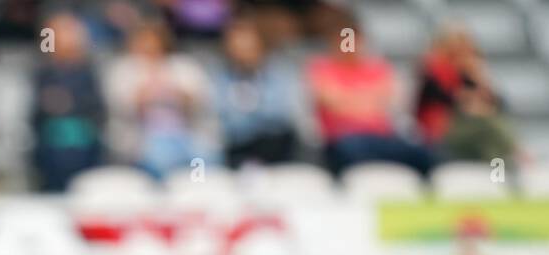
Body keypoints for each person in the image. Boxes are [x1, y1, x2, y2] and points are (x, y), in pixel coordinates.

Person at [305, 13, 433, 176]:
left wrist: (349, 99)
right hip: (343, 139)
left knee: (423, 153)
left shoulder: (377, 67)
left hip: (382, 137)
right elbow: (332, 102)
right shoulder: (320, 67)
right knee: (352, 151)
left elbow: (387, 102)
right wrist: (365, 98)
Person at [106, 18, 219, 179]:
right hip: (145, 140)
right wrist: (154, 93)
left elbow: (200, 101)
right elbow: (123, 105)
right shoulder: (124, 69)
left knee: (204, 158)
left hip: (186, 135)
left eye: (153, 40)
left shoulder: (183, 66)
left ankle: (197, 193)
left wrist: (169, 93)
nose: (148, 45)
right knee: (160, 159)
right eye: (143, 40)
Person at [415, 24, 518, 165]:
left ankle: (500, 174)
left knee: (490, 139)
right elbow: (450, 101)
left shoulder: (466, 76)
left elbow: (499, 104)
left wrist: (480, 79)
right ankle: (512, 159)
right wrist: (469, 98)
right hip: (442, 132)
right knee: (489, 124)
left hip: (465, 130)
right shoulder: (433, 74)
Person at [31, 12, 107, 191]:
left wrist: (70, 105)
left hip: (85, 140)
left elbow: (98, 108)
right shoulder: (42, 71)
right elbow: (36, 110)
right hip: (49, 142)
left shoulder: (88, 71)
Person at [212, 17, 300, 167]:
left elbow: (280, 114)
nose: (243, 55)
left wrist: (249, 115)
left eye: (248, 48)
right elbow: (227, 121)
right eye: (237, 49)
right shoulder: (219, 81)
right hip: (238, 147)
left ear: (260, 47)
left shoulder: (279, 75)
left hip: (277, 145)